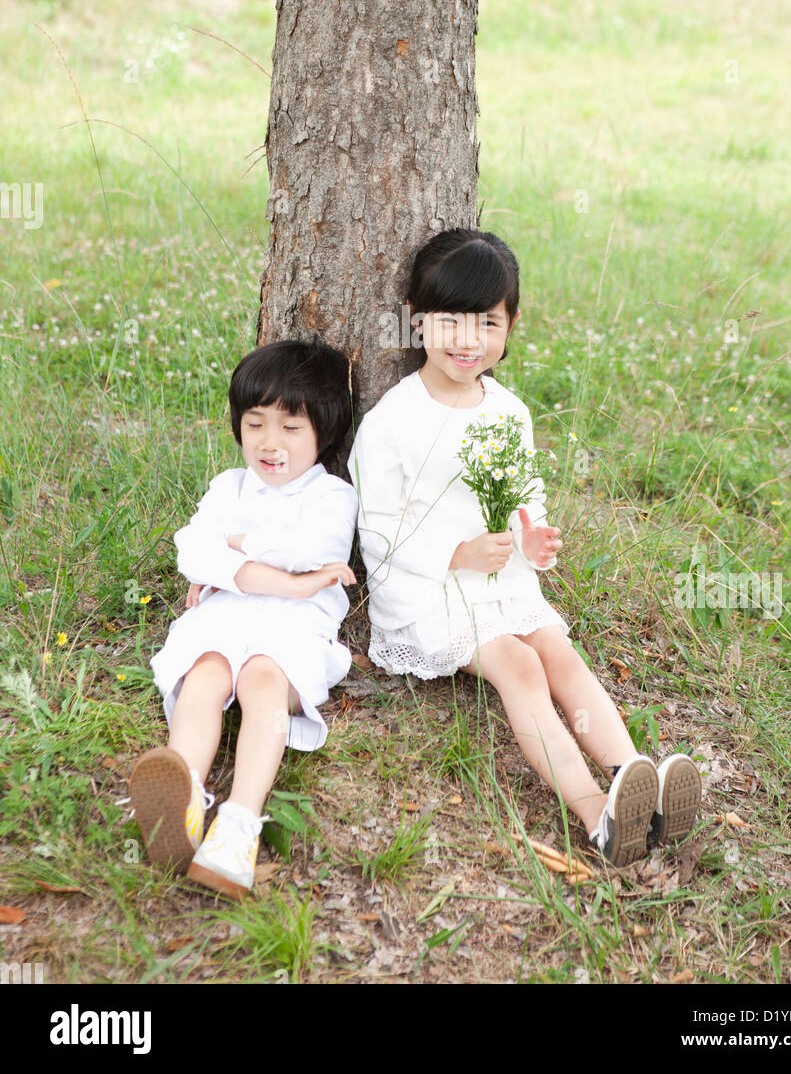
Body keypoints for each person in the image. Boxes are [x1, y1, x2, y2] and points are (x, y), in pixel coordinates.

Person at [348, 228, 700, 866]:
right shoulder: (392, 421)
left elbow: (523, 490)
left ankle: (631, 776)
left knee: (559, 652)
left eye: (487, 322)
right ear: (417, 321)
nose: (467, 339)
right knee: (521, 666)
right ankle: (596, 812)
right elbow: (375, 528)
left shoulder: (508, 411)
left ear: (510, 326)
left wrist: (532, 534)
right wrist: (454, 553)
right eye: (450, 320)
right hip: (428, 590)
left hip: (503, 580)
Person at [128, 339, 357, 898]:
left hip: (293, 627)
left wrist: (235, 550)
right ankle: (180, 795)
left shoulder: (334, 494)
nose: (269, 443)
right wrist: (282, 577)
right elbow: (192, 551)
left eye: (290, 427)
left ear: (323, 433)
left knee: (262, 681)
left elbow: (315, 550)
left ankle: (238, 826)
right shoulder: (227, 486)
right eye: (254, 424)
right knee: (206, 674)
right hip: (227, 617)